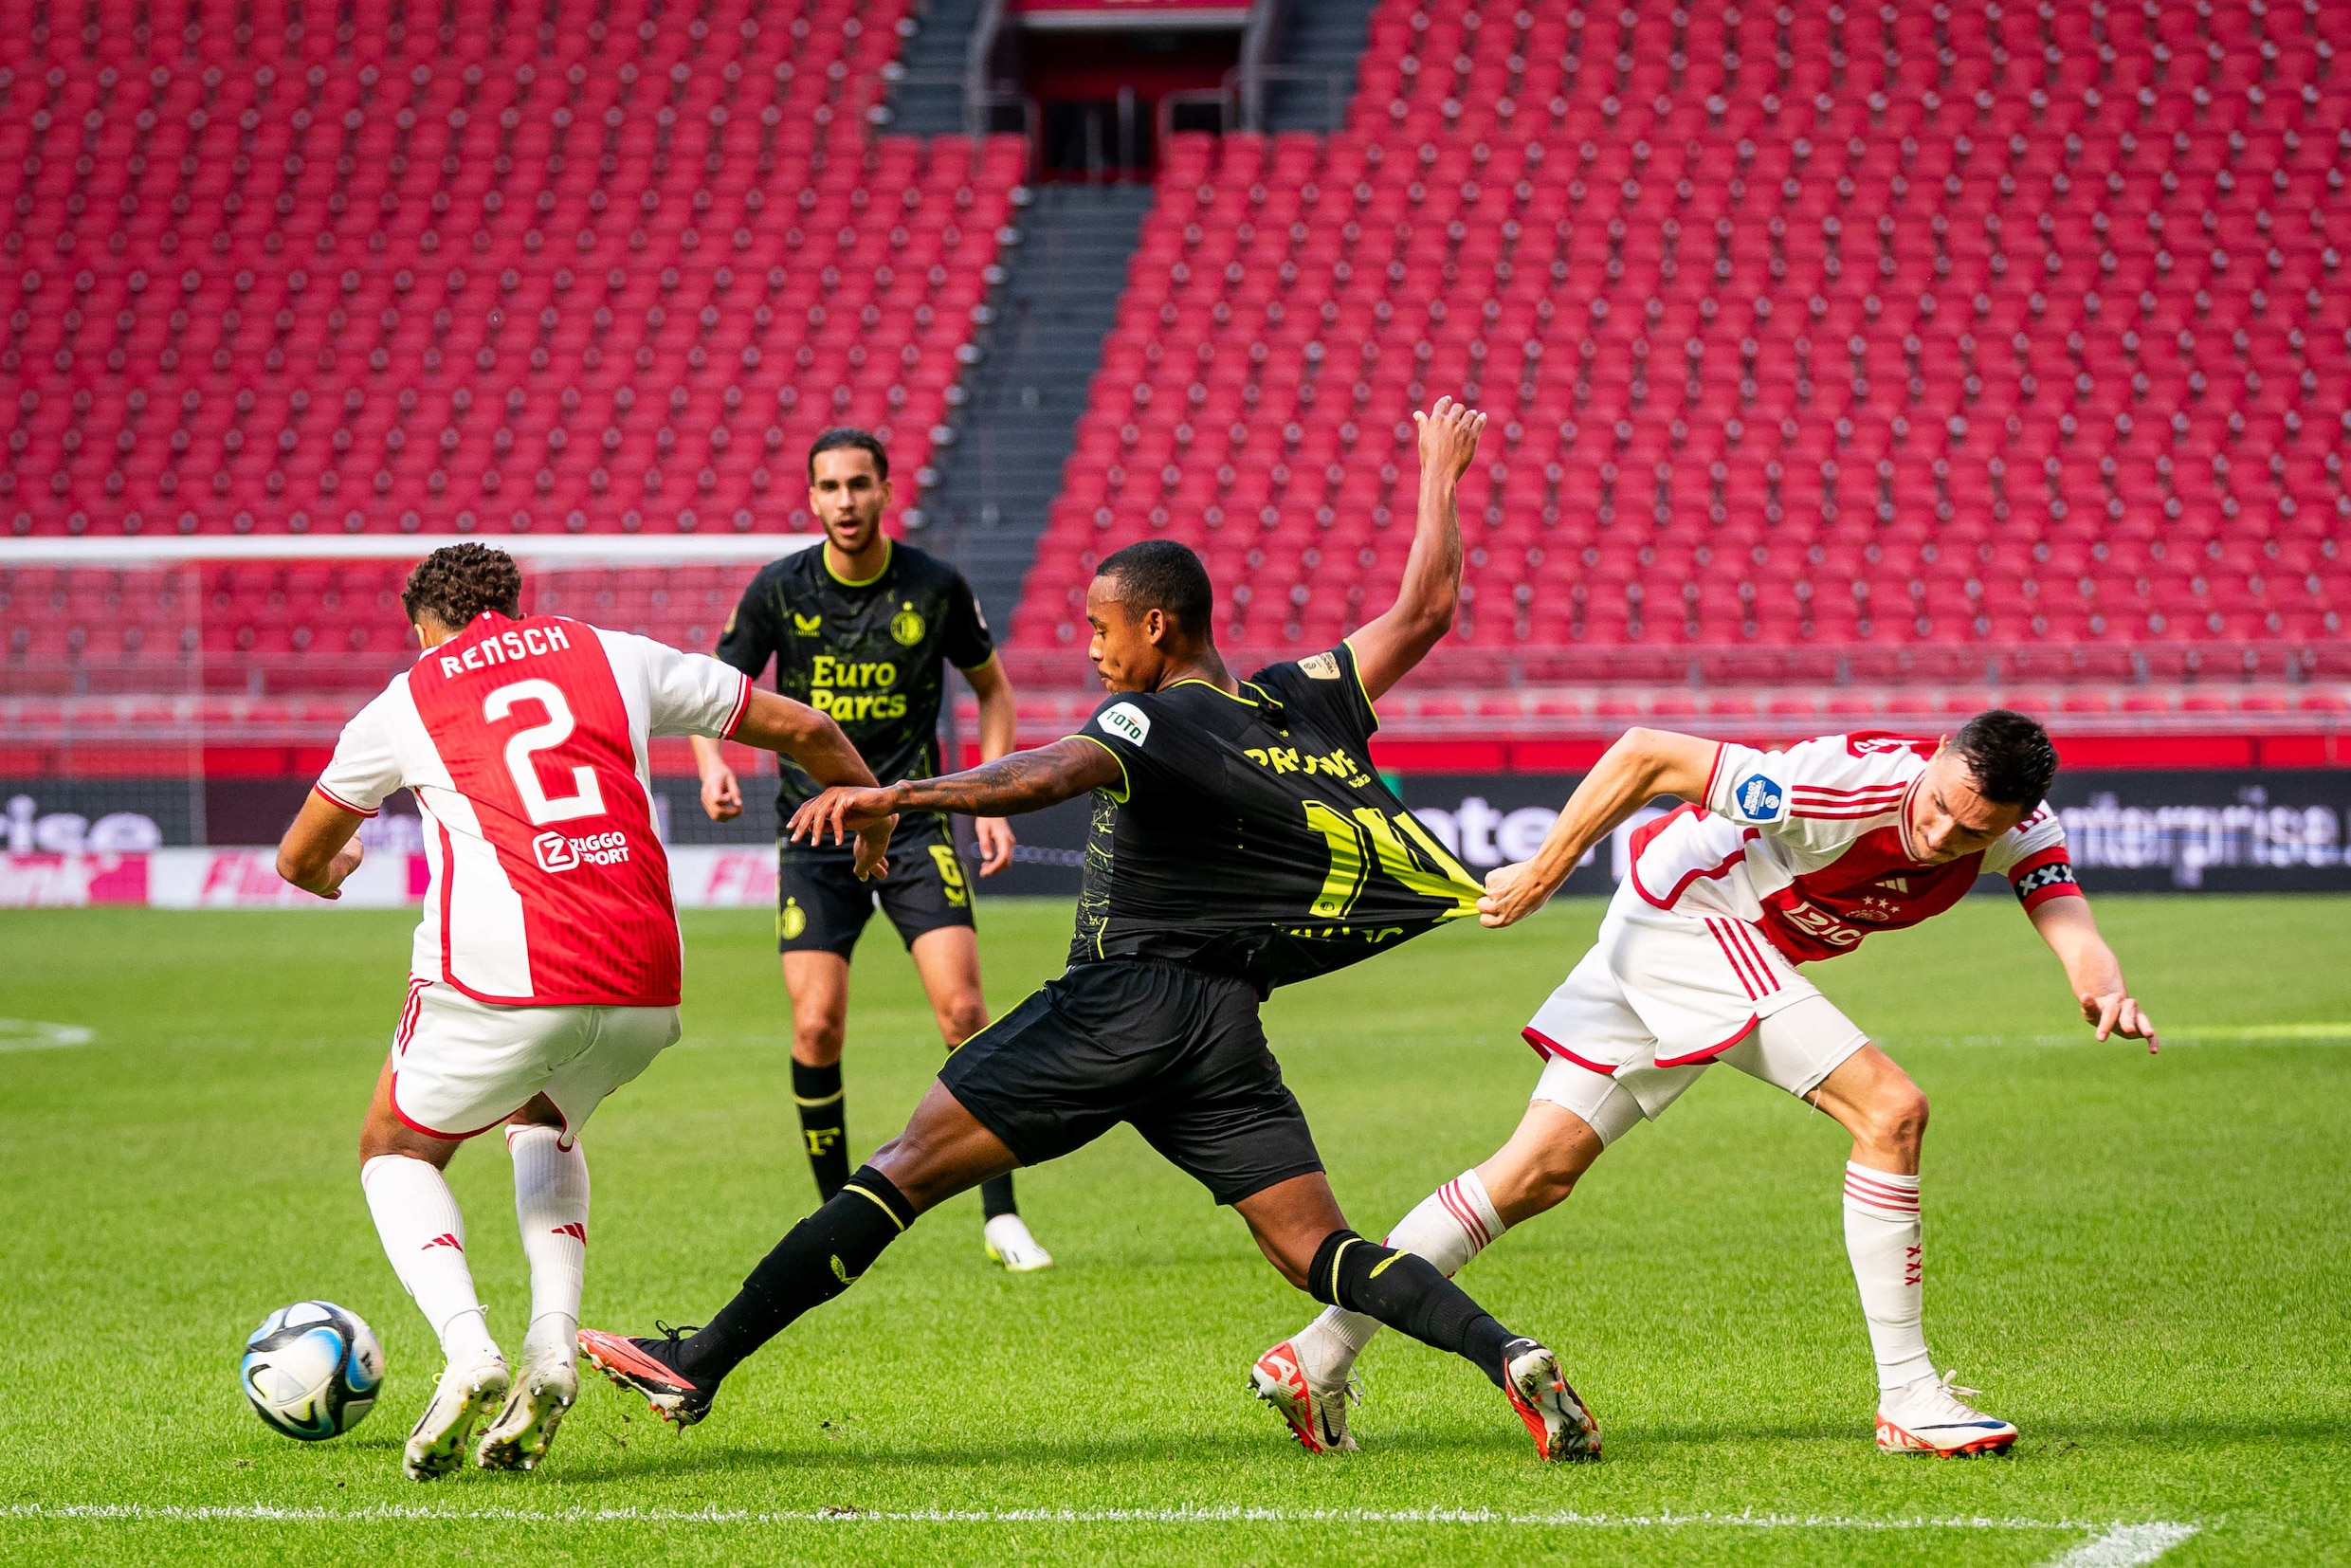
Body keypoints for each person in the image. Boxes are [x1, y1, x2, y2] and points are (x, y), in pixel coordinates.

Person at [579, 398, 1604, 1463]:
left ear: (1154, 626)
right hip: (1219, 1028)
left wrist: (902, 795)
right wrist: (1439, 474)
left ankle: (698, 1361)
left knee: (903, 1167)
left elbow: (1044, 771)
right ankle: (1507, 1353)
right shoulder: (1297, 699)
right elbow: (1426, 610)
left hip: (1117, 1004)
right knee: (1315, 1246)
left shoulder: (1145, 719)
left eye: (1100, 628)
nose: (1091, 648)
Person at [1257, 711, 2158, 1458]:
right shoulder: (1838, 789)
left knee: (1535, 1173)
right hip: (1689, 919)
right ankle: (1910, 1397)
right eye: (1942, 808)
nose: (1943, 836)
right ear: (1937, 759)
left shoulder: (2014, 826)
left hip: (1687, 930)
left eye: (1975, 832)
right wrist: (1544, 868)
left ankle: (1319, 1354)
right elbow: (1646, 754)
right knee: (1892, 1112)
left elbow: (2062, 908)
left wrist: (2102, 982)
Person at [274, 543, 893, 1481]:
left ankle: (468, 1350)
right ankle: (551, 1349)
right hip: (645, 978)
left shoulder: (407, 699)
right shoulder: (612, 652)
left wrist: (337, 868)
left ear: (424, 629)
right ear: (514, 608)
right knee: (543, 1118)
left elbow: (299, 858)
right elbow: (807, 727)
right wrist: (874, 817)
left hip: (510, 978)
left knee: (393, 1148)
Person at [691, 427, 1050, 1272]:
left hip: (915, 826)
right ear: (812, 498)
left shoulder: (935, 585)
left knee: (963, 1013)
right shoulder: (780, 589)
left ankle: (1001, 1215)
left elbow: (994, 690)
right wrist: (712, 765)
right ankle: (835, 1227)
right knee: (816, 1025)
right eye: (830, 487)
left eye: (859, 484)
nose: (846, 501)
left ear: (885, 491)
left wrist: (991, 797)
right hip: (815, 831)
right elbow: (713, 691)